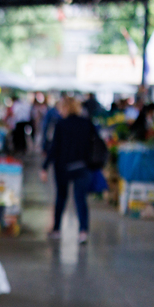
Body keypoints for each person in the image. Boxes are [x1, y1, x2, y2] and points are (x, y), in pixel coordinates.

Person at [43, 96, 98, 244]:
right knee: (80, 199)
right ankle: (83, 231)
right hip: (83, 166)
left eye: (61, 108)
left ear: (66, 108)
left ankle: (56, 229)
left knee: (61, 197)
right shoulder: (86, 123)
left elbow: (54, 148)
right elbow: (95, 143)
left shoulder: (61, 124)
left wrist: (45, 166)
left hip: (63, 167)